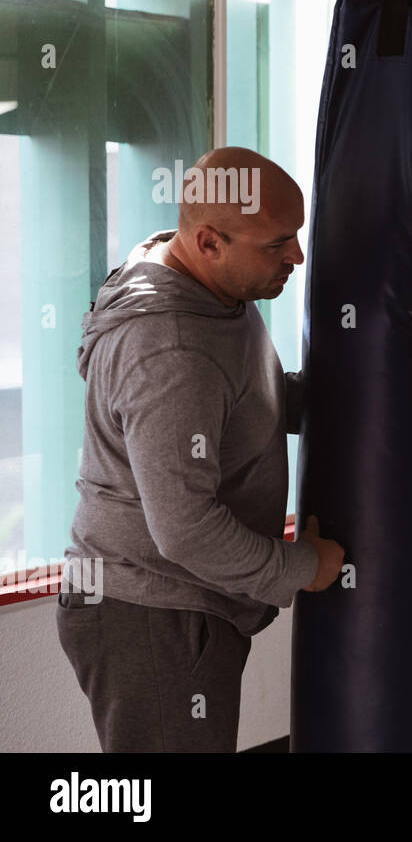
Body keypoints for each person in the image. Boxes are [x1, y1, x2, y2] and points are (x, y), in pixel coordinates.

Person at [57, 146, 345, 752]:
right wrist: (301, 568)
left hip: (170, 603)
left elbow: (236, 402)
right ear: (209, 242)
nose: (297, 256)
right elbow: (185, 529)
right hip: (152, 612)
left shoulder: (195, 277)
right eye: (277, 243)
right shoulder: (172, 348)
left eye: (296, 235)